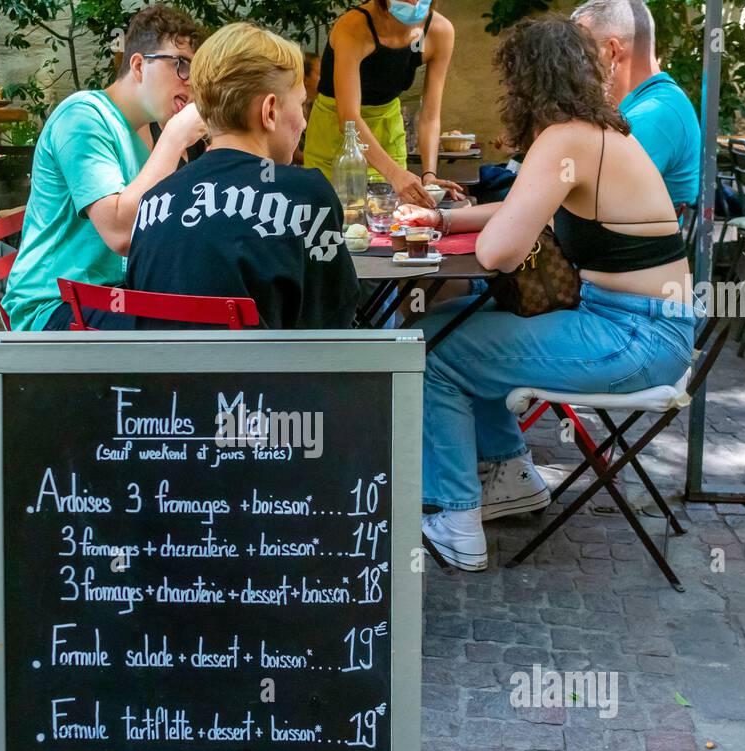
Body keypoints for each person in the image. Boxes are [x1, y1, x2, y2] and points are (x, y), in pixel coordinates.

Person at [401, 16, 694, 571]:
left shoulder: (565, 139)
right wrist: (442, 218)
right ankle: (511, 474)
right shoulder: (595, 133)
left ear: (525, 80)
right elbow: (525, 212)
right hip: (641, 325)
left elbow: (500, 254)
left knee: (428, 348)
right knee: (459, 326)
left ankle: (456, 521)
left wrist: (459, 229)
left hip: (634, 337)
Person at [126, 23, 360, 330]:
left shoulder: (152, 201)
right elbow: (332, 325)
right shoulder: (306, 195)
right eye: (302, 104)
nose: (303, 122)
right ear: (270, 111)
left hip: (156, 378)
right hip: (267, 378)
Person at [1, 4, 208, 332]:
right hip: (54, 306)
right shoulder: (83, 117)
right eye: (181, 65)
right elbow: (121, 232)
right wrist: (175, 138)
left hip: (111, 297)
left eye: (196, 75)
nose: (190, 85)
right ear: (139, 65)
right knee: (192, 333)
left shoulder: (148, 133)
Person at [302, 0, 461, 207]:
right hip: (334, 135)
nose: (413, 1)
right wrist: (394, 173)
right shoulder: (353, 27)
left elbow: (430, 116)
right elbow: (348, 118)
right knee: (335, 216)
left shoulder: (439, 31)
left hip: (387, 132)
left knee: (388, 217)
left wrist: (429, 175)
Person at [572, 0, 701, 209]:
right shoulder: (646, 102)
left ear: (611, 51)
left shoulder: (653, 115)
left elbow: (594, 202)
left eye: (582, 54)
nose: (577, 65)